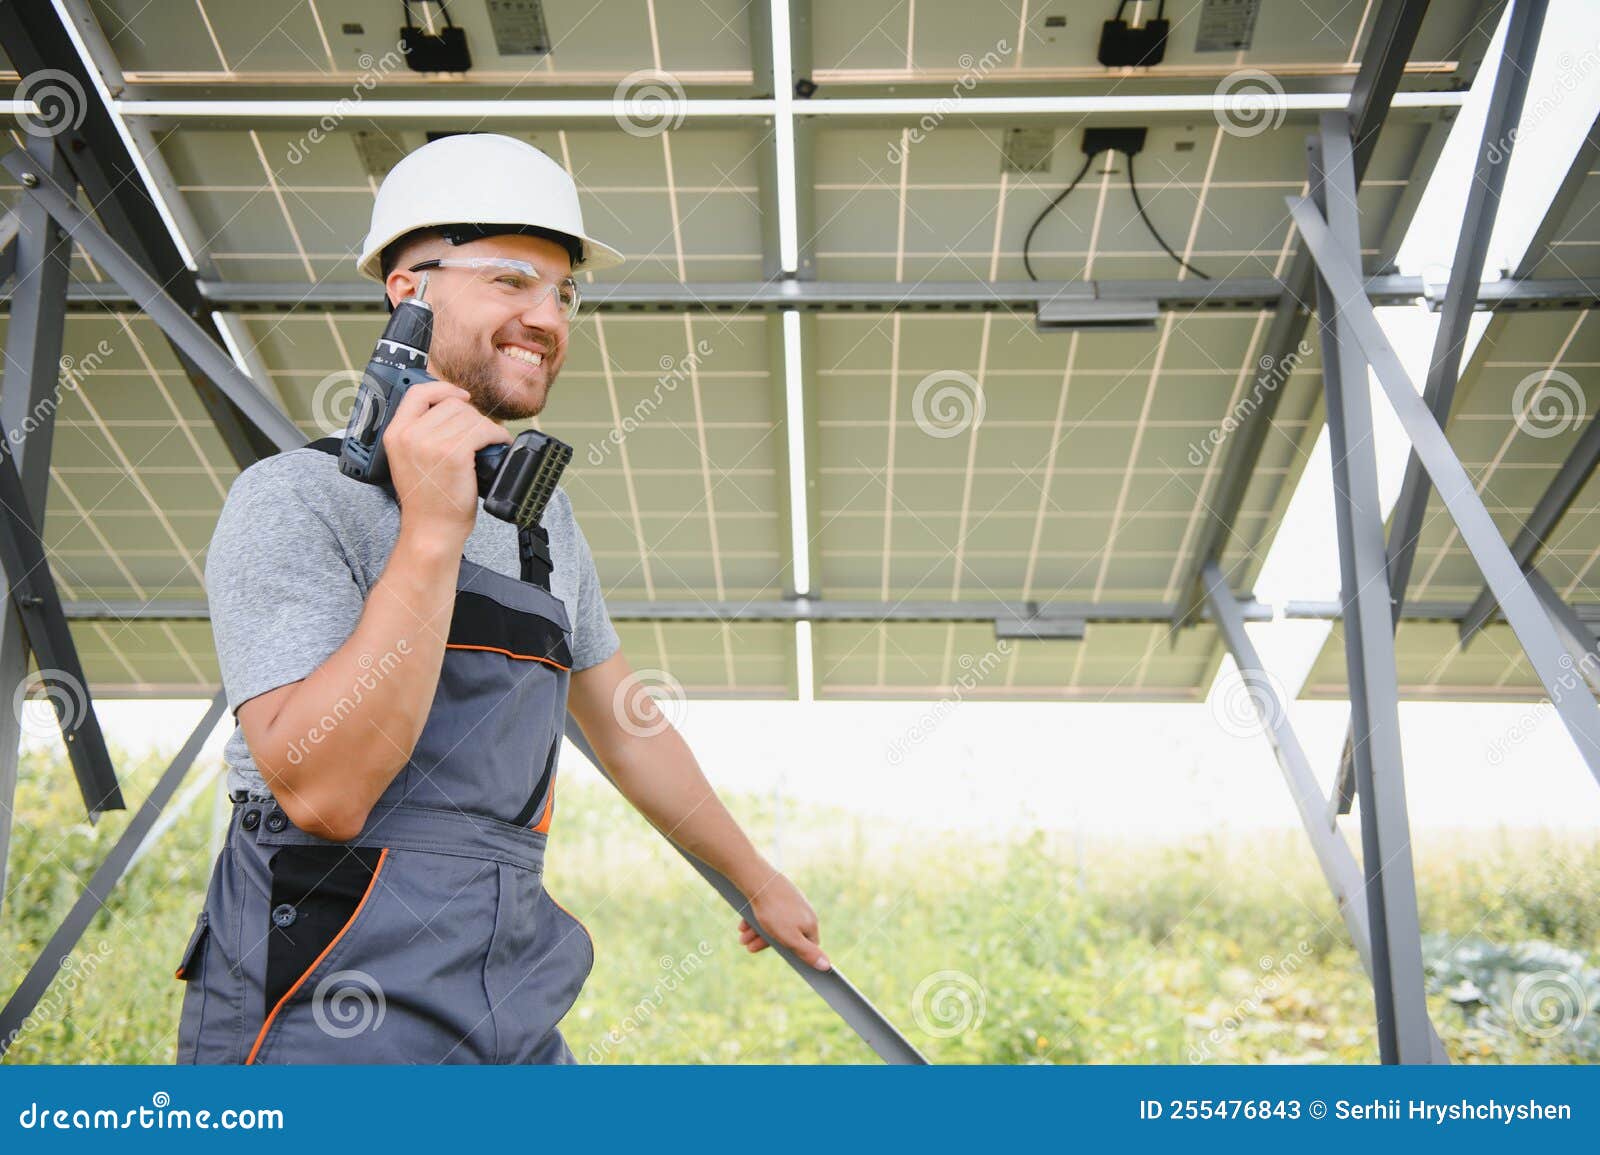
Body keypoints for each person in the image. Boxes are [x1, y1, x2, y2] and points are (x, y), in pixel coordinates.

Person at [174, 133, 828, 1065]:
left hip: (502, 996)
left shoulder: (541, 521)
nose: (550, 316)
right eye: (513, 281)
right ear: (408, 292)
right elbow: (321, 789)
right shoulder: (293, 499)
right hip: (318, 1000)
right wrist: (431, 533)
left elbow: (627, 724)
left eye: (564, 293)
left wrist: (756, 876)